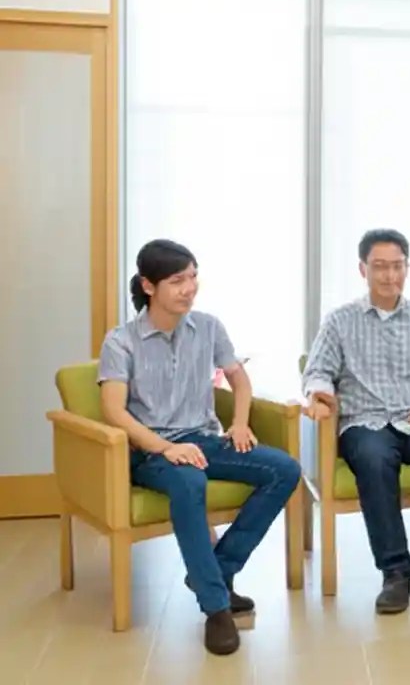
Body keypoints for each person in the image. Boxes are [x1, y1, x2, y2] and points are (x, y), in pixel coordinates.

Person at [98, 239, 302, 655]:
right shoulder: (120, 342)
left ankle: (214, 572)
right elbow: (114, 412)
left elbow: (238, 380)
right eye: (177, 280)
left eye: (193, 276)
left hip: (206, 439)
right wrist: (165, 448)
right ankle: (216, 608)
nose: (190, 288)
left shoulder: (208, 326)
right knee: (189, 483)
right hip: (152, 449)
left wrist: (240, 423)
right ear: (149, 286)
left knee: (284, 469)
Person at [302, 228, 410, 615]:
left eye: (397, 266)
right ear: (363, 269)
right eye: (380, 267)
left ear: (407, 268)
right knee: (375, 463)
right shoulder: (340, 321)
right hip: (365, 421)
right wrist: (319, 394)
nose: (390, 276)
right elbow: (318, 371)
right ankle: (394, 572)